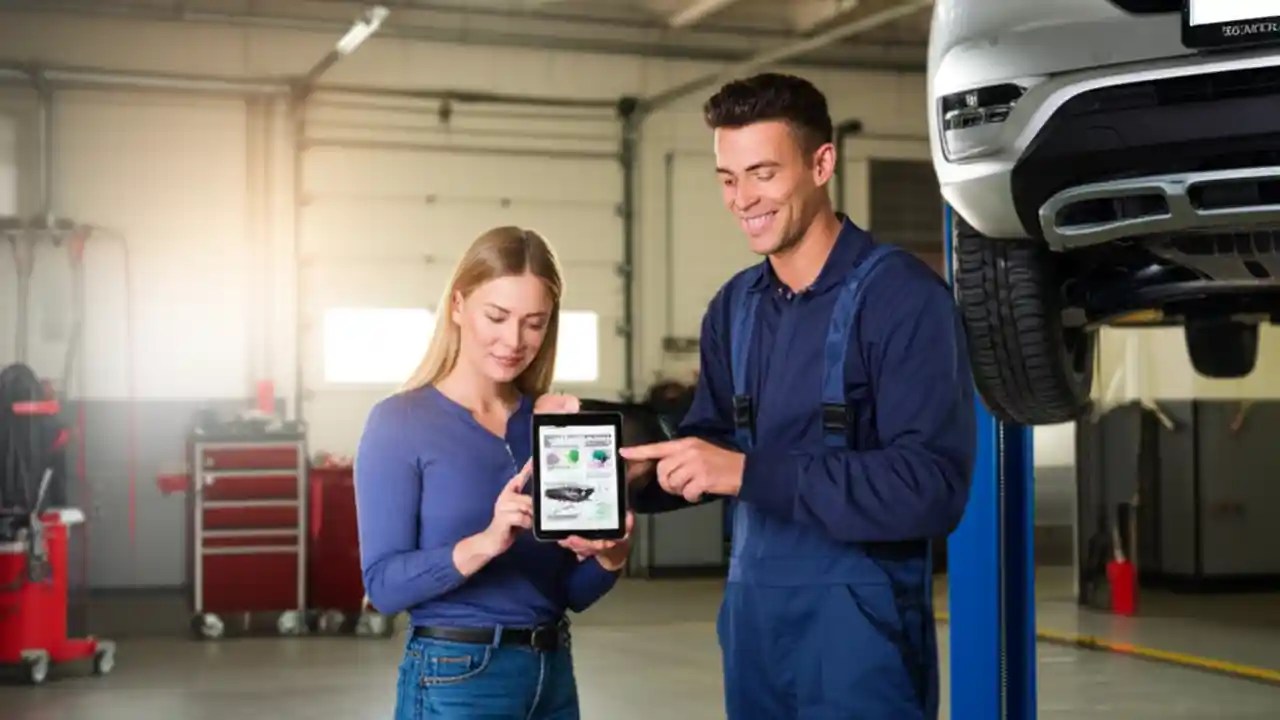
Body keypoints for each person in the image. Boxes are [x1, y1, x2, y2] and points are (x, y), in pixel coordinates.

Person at [618, 73, 977, 719]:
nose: (741, 199)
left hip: (862, 641)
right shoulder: (733, 308)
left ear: (821, 162)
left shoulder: (904, 301)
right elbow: (713, 447)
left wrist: (749, 471)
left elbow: (930, 487)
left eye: (762, 173)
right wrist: (642, 477)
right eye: (728, 178)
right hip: (755, 626)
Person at [354, 226, 633, 720]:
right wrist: (484, 542)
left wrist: (610, 556)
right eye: (497, 317)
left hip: (552, 674)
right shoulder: (399, 422)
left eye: (534, 323)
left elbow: (565, 594)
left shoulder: (548, 425)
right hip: (455, 677)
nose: (514, 340)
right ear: (458, 306)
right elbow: (384, 587)